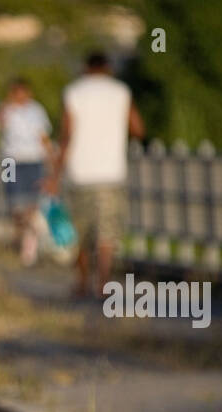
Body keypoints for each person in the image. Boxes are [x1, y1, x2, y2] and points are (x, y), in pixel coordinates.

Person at [47, 52, 145, 297]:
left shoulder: (74, 93)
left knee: (79, 231)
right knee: (107, 232)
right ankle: (103, 284)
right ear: (108, 68)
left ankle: (82, 283)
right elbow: (138, 129)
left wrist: (54, 176)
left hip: (80, 172)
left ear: (85, 68)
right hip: (111, 172)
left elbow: (66, 136)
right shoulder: (121, 92)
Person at [0, 78, 54, 265]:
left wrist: (50, 156)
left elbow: (43, 135)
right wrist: (8, 105)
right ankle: (22, 236)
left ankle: (29, 245)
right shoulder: (5, 109)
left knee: (32, 202)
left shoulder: (36, 110)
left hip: (33, 159)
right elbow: (0, 124)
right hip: (10, 161)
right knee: (14, 203)